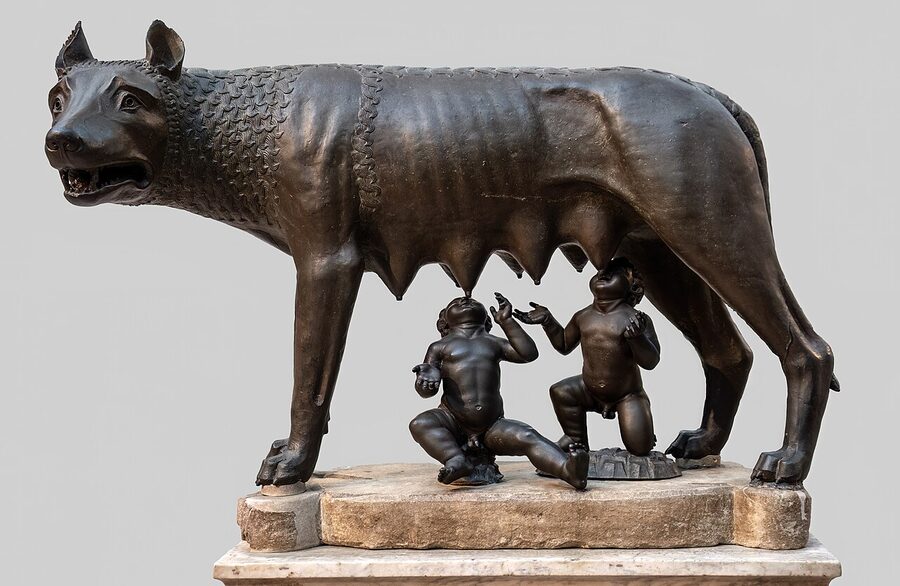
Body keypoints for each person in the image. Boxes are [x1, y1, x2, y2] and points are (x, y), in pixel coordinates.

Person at [410, 293, 588, 489]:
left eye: (472, 301)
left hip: (492, 426)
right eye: (456, 303)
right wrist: (426, 381)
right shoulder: (439, 347)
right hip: (453, 421)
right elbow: (425, 390)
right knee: (421, 423)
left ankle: (568, 470)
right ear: (445, 321)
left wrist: (507, 321)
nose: (465, 300)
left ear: (486, 317)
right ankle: (455, 459)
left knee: (527, 436)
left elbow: (528, 354)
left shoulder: (493, 342)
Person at [514, 258, 660, 456]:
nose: (603, 274)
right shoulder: (583, 316)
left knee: (640, 449)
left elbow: (651, 362)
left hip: (627, 394)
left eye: (615, 272)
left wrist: (637, 338)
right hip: (589, 389)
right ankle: (576, 440)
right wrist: (548, 321)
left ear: (632, 286)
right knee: (561, 391)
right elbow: (564, 345)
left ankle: (645, 431)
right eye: (600, 272)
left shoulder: (635, 319)